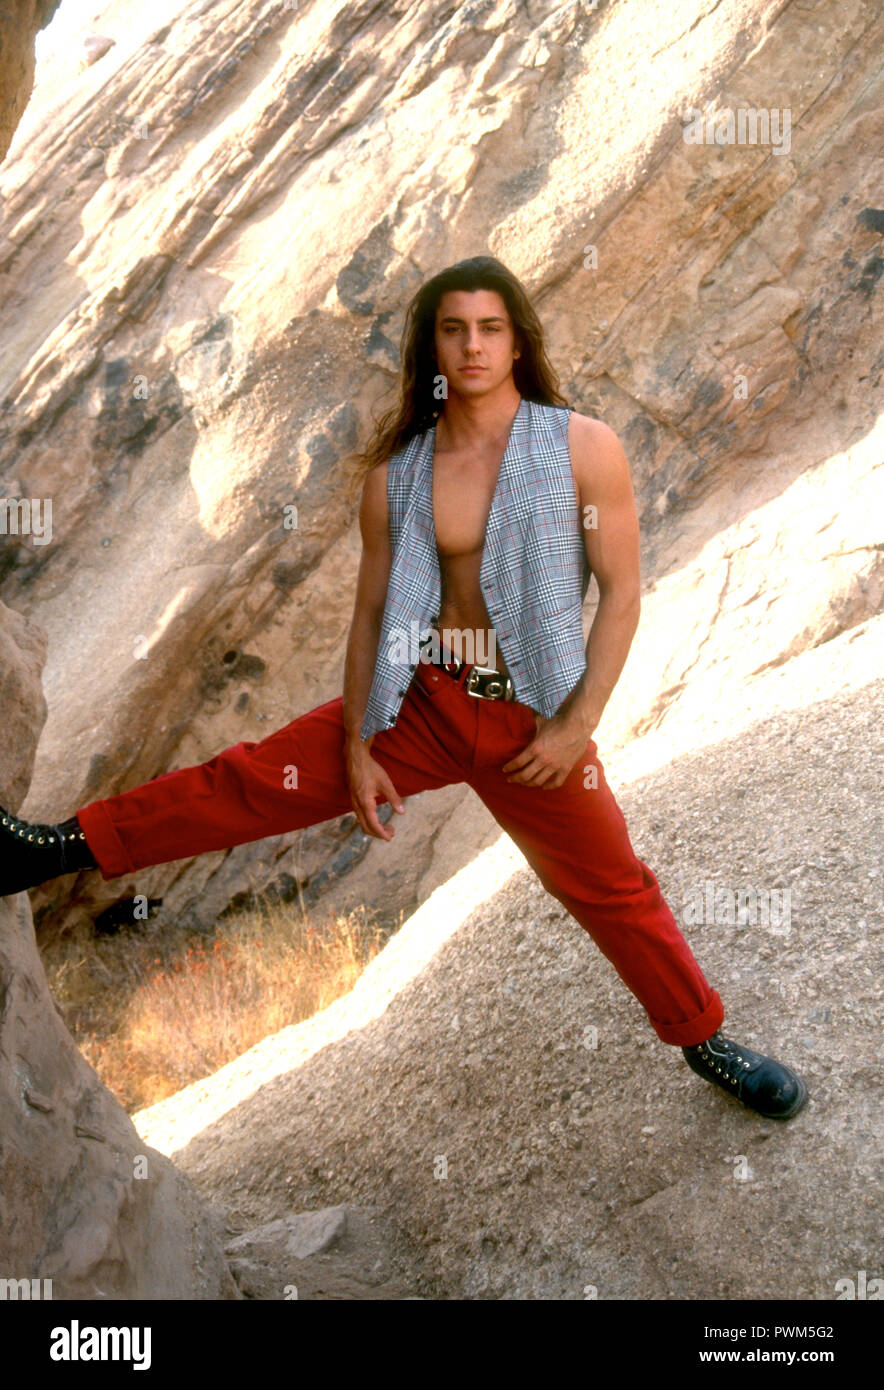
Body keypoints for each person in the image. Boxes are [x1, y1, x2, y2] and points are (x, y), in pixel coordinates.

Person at [1, 255, 807, 1119]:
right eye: (452, 329)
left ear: (516, 339)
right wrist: (354, 745)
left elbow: (623, 595)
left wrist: (578, 725)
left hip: (533, 720)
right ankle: (52, 850)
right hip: (421, 701)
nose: (472, 346)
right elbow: (373, 613)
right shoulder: (401, 475)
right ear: (430, 346)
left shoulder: (581, 445)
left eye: (490, 328)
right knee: (252, 779)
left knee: (615, 888)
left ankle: (705, 1040)